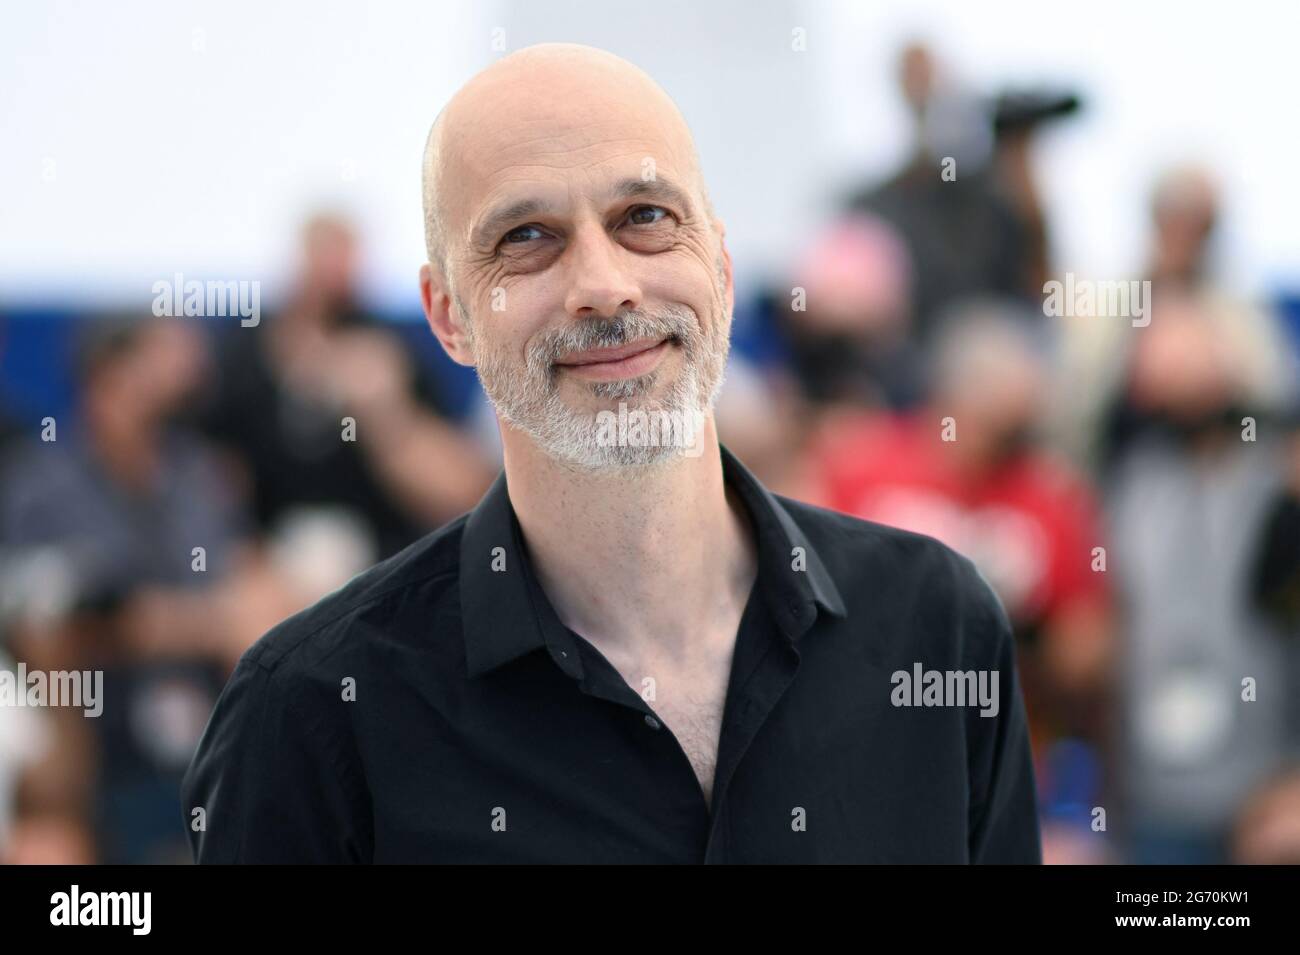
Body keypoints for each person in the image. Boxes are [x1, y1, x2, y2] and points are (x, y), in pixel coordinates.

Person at [182, 43, 1041, 864]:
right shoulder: (311, 713)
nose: (603, 284)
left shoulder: (940, 630)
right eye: (526, 236)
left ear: (723, 266)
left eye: (645, 218)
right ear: (449, 315)